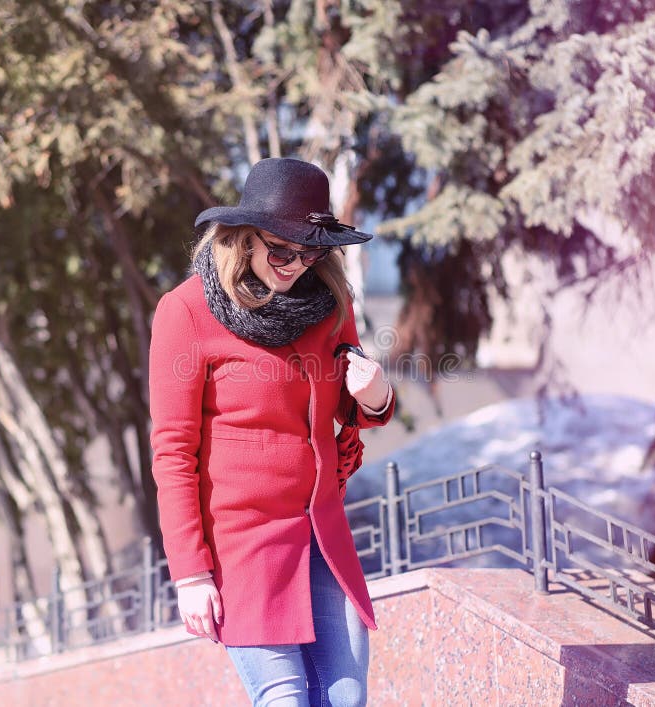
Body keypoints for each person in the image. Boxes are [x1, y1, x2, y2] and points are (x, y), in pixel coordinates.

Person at [148, 157, 395, 707]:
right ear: (240, 239)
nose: (295, 265)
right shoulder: (184, 313)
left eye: (310, 253)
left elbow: (350, 411)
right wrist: (190, 574)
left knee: (346, 696)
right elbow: (172, 453)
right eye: (281, 250)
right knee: (284, 699)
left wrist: (375, 394)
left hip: (320, 530)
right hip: (242, 543)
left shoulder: (330, 302)